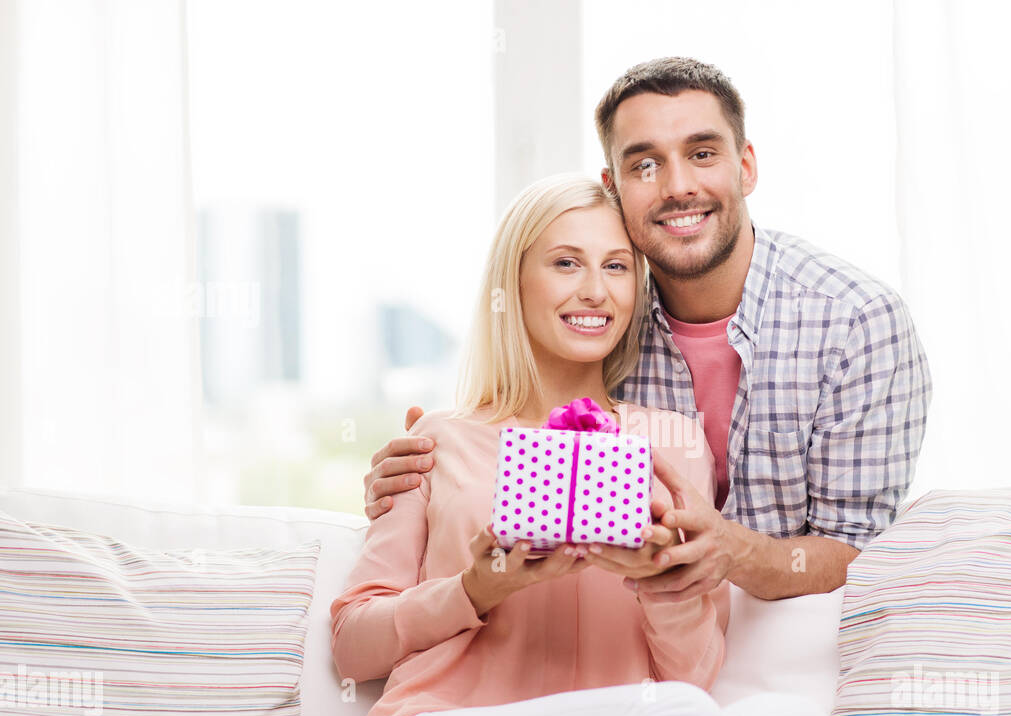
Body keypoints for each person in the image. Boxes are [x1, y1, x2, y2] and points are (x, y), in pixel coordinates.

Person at [322, 172, 828, 716]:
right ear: (512, 282)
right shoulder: (439, 439)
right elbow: (353, 645)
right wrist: (476, 590)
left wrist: (662, 586)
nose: (596, 290)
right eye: (567, 262)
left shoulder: (673, 442)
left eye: (617, 267)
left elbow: (694, 675)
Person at [365, 57, 932, 604]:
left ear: (747, 166)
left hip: (795, 644)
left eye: (703, 153)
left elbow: (860, 551)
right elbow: (511, 443)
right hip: (645, 652)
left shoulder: (857, 322)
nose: (677, 186)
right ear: (614, 187)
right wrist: (418, 485)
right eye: (645, 164)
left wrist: (734, 553)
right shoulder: (595, 321)